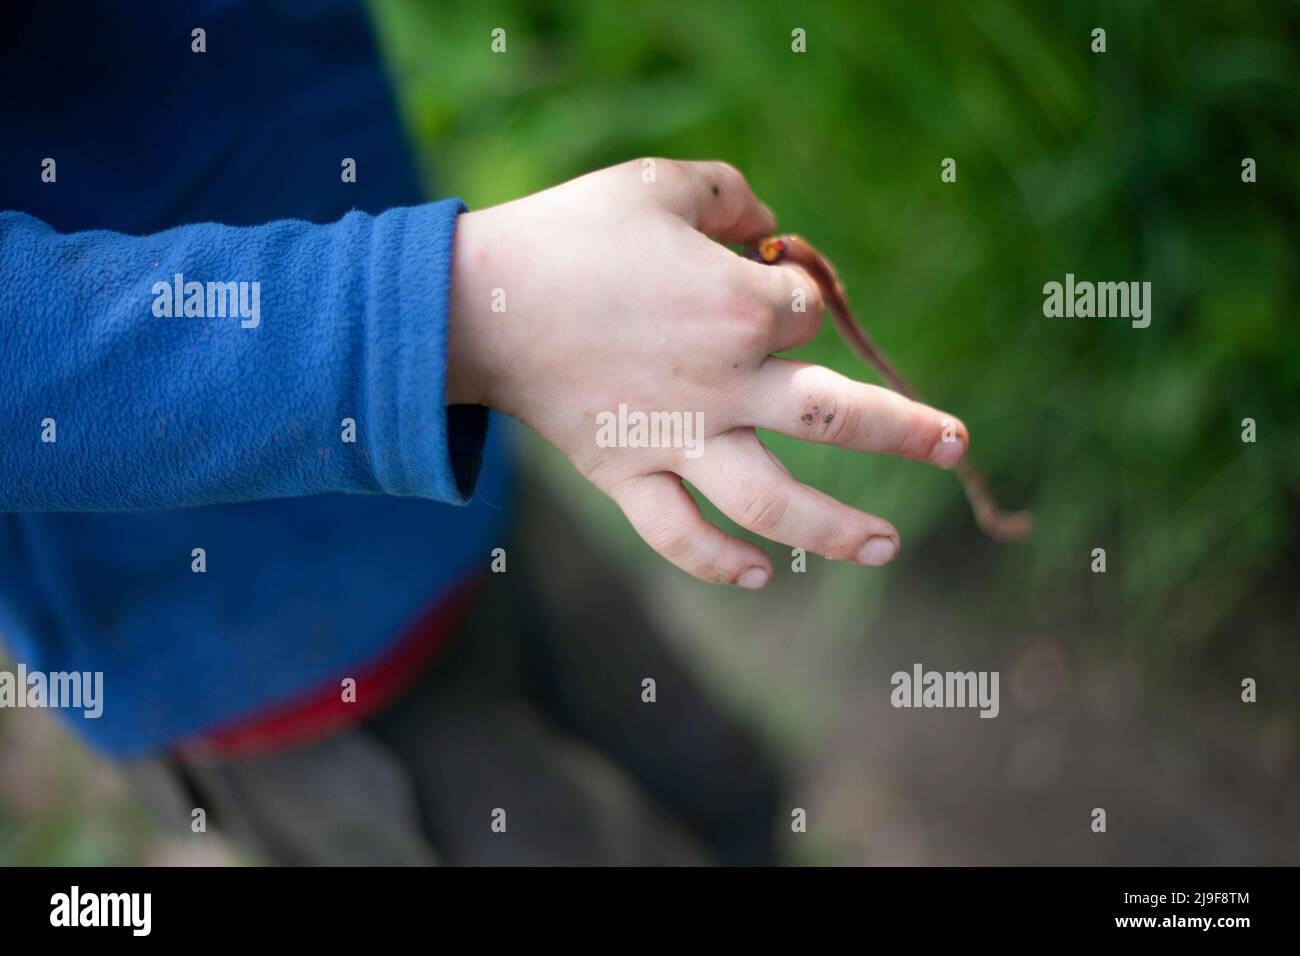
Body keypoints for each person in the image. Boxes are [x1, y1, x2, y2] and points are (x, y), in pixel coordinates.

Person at [0, 2, 967, 865]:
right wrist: (464, 311)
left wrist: (477, 331)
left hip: (464, 459)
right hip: (256, 649)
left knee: (726, 785)